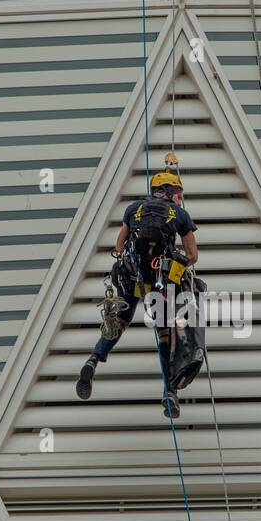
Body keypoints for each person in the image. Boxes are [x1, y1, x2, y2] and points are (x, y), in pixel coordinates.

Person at [76, 157, 198, 418]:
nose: (180, 199)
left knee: (119, 321)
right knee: (166, 334)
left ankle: (94, 359)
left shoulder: (134, 209)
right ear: (172, 193)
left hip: (130, 279)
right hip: (159, 282)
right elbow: (193, 255)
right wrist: (178, 260)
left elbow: (119, 246)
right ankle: (170, 393)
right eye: (179, 194)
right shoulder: (181, 215)